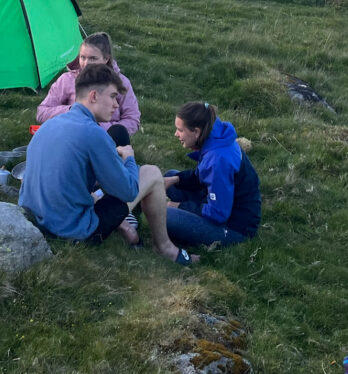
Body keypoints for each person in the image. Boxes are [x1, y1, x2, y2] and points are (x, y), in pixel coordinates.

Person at [20, 64, 196, 265]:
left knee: (99, 189)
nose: (116, 104)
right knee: (152, 173)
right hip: (73, 233)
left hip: (36, 223)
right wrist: (129, 158)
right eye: (113, 96)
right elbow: (129, 192)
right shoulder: (93, 133)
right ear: (93, 96)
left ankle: (130, 229)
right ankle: (165, 248)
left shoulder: (49, 125)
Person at [164, 102, 261, 248]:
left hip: (234, 227)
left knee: (164, 215)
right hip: (220, 202)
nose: (176, 134)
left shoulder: (218, 160)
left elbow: (218, 213)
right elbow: (202, 175)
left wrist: (177, 206)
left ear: (196, 132)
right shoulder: (215, 135)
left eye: (180, 130)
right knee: (170, 176)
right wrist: (174, 179)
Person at [36, 32, 140, 145]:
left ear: (106, 59)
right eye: (82, 57)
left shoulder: (121, 82)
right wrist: (73, 111)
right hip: (70, 138)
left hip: (107, 141)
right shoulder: (66, 80)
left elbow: (132, 119)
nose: (86, 63)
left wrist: (102, 129)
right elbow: (42, 112)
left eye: (93, 58)